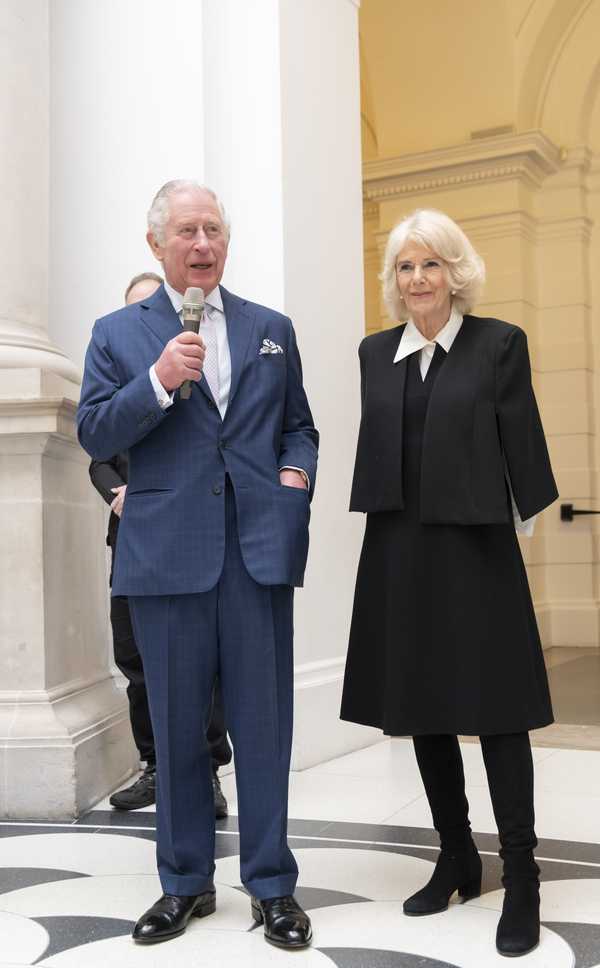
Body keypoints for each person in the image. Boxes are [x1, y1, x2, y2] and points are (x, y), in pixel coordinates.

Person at [77, 180, 318, 950]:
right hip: (166, 562)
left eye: (213, 228)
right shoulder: (118, 334)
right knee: (179, 734)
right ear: (157, 244)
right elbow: (92, 432)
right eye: (187, 230)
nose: (203, 243)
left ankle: (272, 887)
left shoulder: (269, 328)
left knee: (265, 728)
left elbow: (299, 429)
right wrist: (157, 383)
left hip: (256, 557)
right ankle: (184, 884)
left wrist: (293, 481)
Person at [341, 209, 557, 958]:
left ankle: (522, 874)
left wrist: (522, 524)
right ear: (393, 282)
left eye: (431, 265)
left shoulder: (498, 343)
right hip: (402, 547)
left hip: (476, 549)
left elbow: (520, 435)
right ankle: (456, 855)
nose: (418, 280)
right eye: (405, 267)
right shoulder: (375, 353)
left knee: (499, 715)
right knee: (424, 708)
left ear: (456, 271)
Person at [89, 271, 231, 816]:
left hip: (189, 529)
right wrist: (116, 494)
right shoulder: (116, 363)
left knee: (205, 659)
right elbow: (97, 452)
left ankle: (209, 769)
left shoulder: (200, 363)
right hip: (131, 533)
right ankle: (155, 765)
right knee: (135, 657)